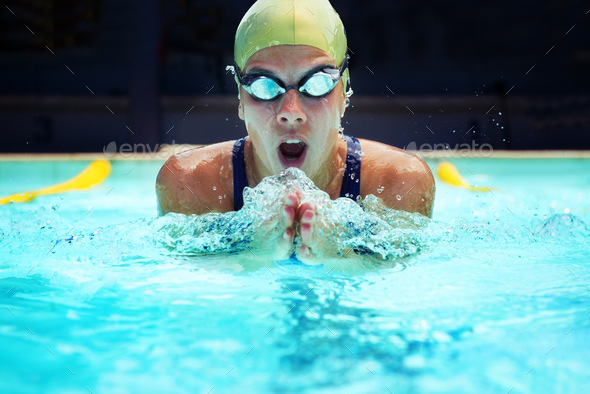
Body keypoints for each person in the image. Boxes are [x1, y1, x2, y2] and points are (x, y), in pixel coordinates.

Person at [156, 0, 435, 259]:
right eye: (264, 85)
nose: (290, 112)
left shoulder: (396, 183)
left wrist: (336, 256)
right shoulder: (192, 184)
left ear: (343, 93)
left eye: (316, 84)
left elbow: (398, 292)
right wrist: (254, 254)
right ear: (240, 99)